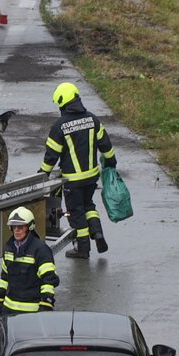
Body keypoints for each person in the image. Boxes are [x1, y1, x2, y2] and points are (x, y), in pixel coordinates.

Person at [42, 81, 116, 258]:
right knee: (88, 205)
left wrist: (43, 174)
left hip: (72, 181)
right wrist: (111, 162)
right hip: (91, 178)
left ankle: (83, 248)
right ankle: (97, 233)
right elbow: (106, 145)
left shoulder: (59, 126)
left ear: (63, 102)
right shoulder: (92, 119)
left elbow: (51, 155)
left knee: (75, 212)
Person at [0, 207, 57, 315]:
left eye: (20, 227)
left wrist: (46, 304)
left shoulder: (41, 250)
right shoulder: (9, 248)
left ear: (30, 227)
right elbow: (5, 276)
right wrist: (0, 298)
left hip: (31, 313)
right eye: (14, 226)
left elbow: (48, 279)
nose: (16, 230)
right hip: (8, 311)